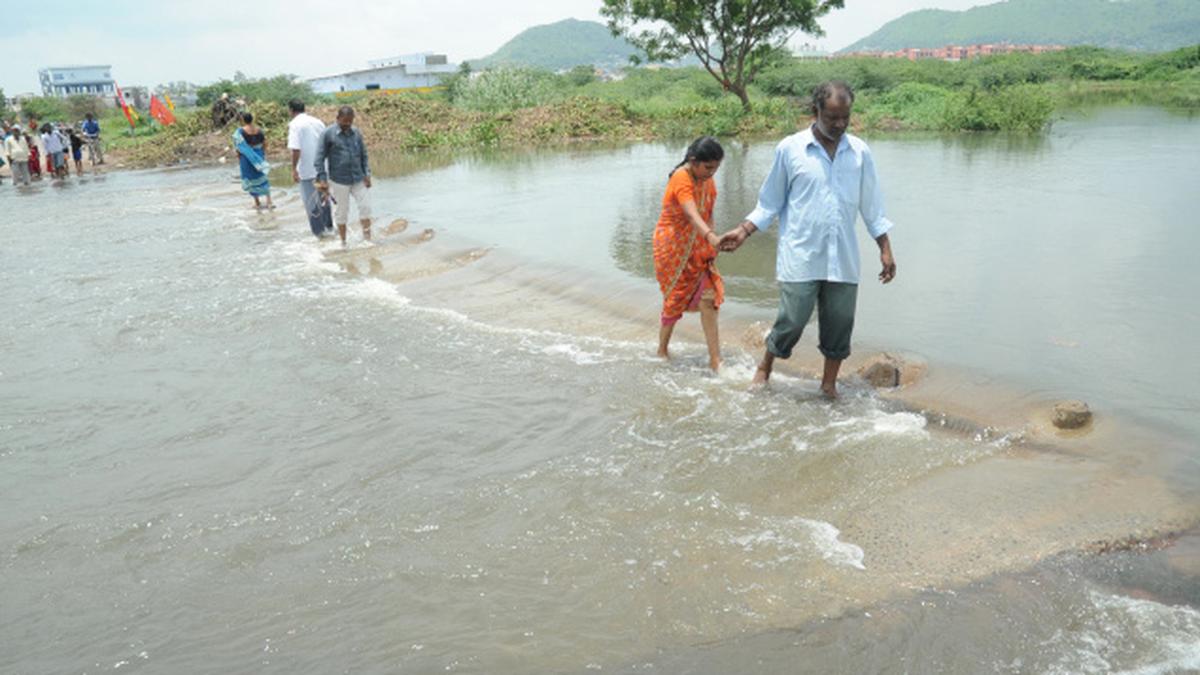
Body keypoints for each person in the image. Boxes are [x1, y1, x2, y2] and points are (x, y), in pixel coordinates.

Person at [719, 81, 898, 398]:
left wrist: (885, 248)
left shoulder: (859, 152)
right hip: (801, 254)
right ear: (816, 111)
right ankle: (766, 366)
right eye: (832, 118)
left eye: (845, 117)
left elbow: (872, 206)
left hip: (842, 257)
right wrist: (744, 230)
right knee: (792, 320)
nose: (840, 124)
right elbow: (770, 202)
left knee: (840, 323)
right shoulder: (791, 149)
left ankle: (828, 385)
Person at [653, 136, 727, 371]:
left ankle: (715, 359)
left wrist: (711, 243)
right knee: (674, 300)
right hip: (673, 246)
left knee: (709, 298)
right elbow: (692, 214)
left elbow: (708, 213)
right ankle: (662, 350)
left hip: (699, 244)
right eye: (708, 167)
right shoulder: (681, 177)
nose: (711, 173)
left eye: (716, 168)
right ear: (693, 161)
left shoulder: (707, 180)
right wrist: (711, 237)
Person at [315, 106, 372, 245]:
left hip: (358, 178)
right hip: (339, 180)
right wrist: (322, 179)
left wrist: (367, 174)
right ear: (338, 118)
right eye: (344, 121)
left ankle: (368, 240)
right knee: (342, 212)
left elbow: (363, 155)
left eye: (350, 121)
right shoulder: (328, 134)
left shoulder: (356, 133)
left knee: (365, 208)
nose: (347, 124)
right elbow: (319, 158)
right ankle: (343, 242)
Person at [286, 99, 333, 238]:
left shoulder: (295, 124)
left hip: (307, 170)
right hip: (322, 168)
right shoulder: (318, 122)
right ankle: (330, 230)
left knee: (312, 205)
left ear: (291, 110)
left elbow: (295, 149)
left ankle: (319, 237)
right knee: (324, 200)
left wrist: (293, 169)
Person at [233, 112, 274, 210]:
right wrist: (261, 155)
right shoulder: (259, 130)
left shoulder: (240, 132)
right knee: (263, 177)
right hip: (258, 156)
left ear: (243, 120)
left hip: (247, 158)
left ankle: (257, 202)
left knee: (251, 180)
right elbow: (265, 143)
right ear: (252, 119)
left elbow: (239, 147)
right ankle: (269, 201)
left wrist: (239, 157)